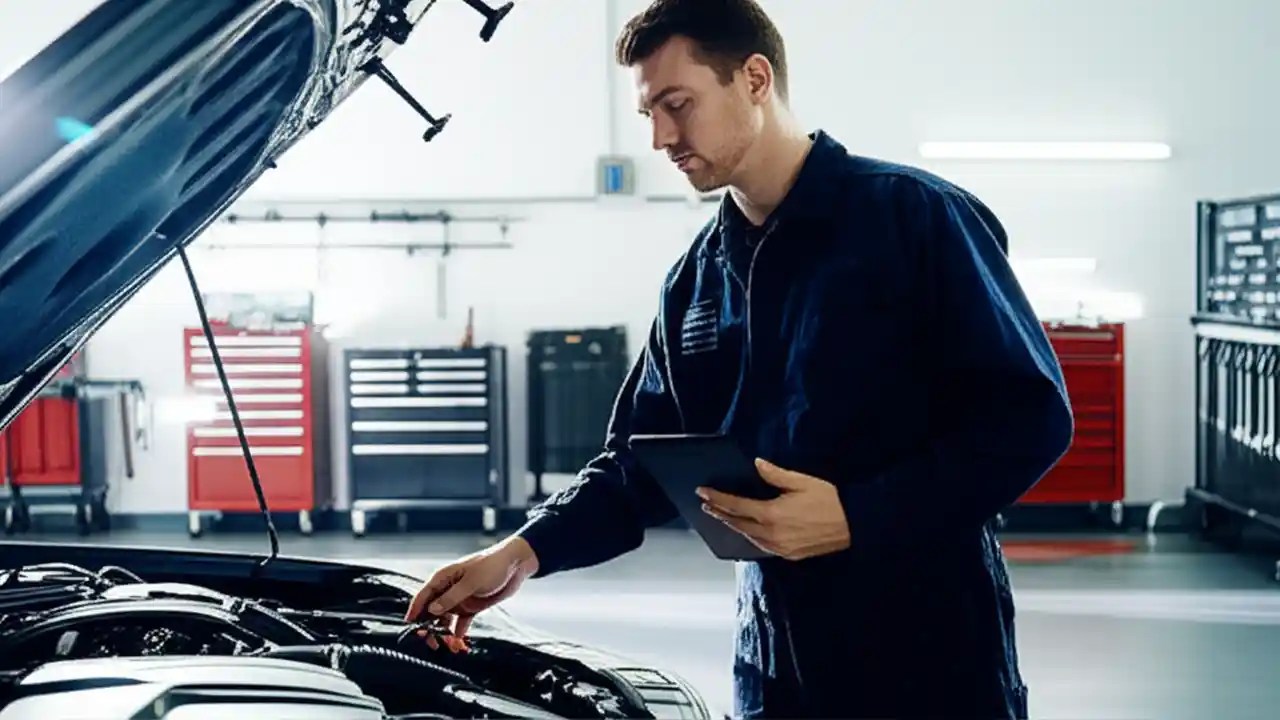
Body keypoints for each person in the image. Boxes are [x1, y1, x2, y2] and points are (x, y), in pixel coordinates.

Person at [406, 0, 1073, 716]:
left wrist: (858, 515)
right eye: (649, 114)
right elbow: (638, 463)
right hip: (773, 670)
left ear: (754, 78)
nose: (661, 137)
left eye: (678, 104)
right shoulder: (695, 279)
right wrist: (521, 551)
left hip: (930, 662)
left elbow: (1029, 419)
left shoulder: (916, 218)